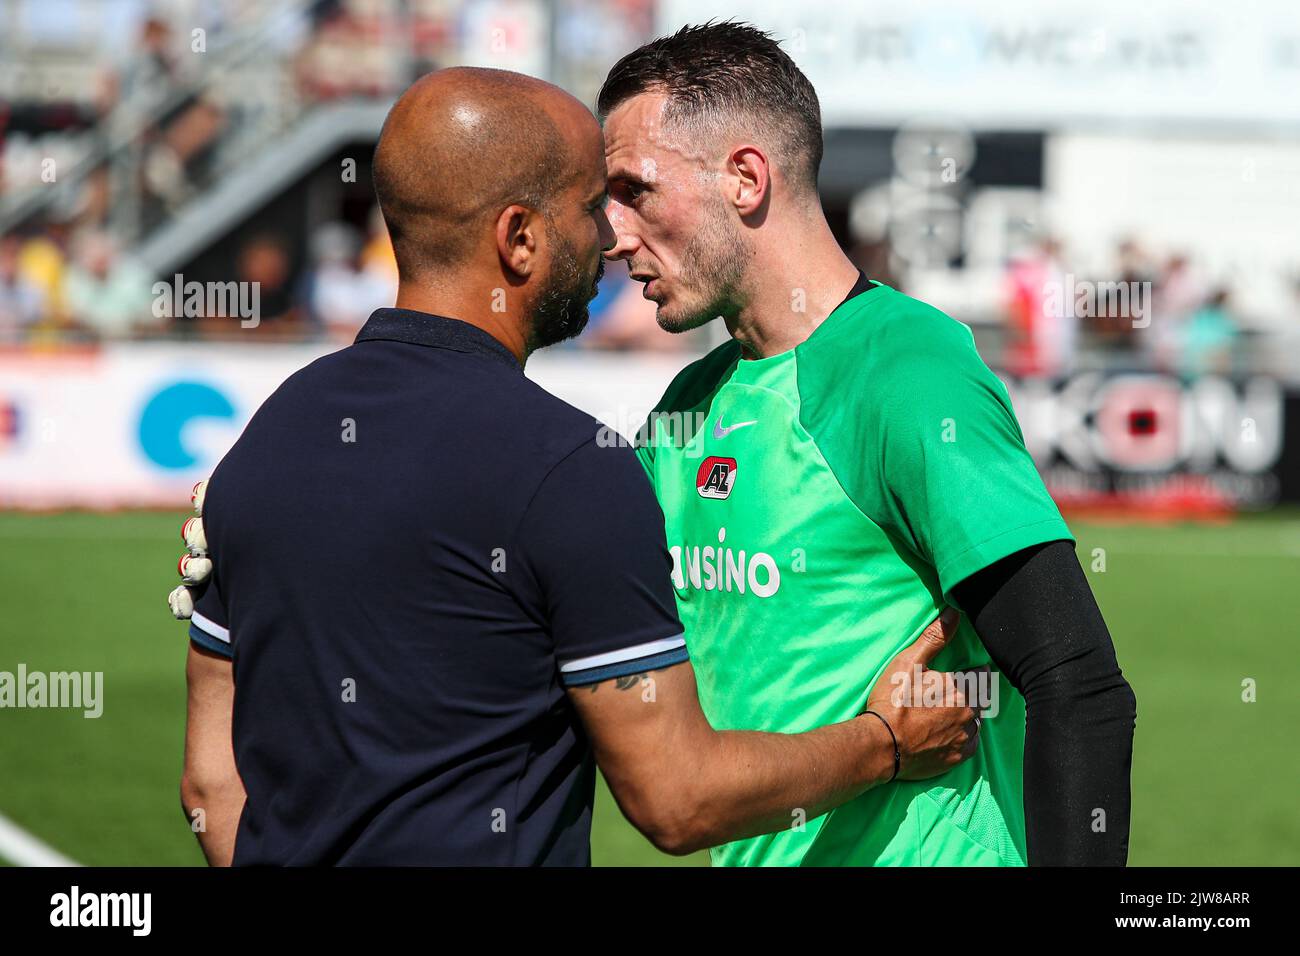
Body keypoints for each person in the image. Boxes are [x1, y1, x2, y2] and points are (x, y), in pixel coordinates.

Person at [169, 67, 981, 866]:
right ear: (519, 238)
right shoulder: (567, 470)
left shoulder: (263, 445)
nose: (610, 237)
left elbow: (211, 788)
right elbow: (677, 797)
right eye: (591, 207)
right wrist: (885, 745)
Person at [597, 21, 1137, 866]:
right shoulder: (689, 405)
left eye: (635, 190)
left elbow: (1079, 684)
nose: (614, 231)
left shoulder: (909, 372)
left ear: (744, 178)